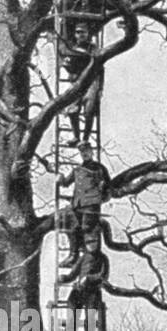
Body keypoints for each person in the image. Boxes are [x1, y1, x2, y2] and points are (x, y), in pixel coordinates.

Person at [60, 139, 111, 273]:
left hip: (91, 204)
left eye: (87, 152)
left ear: (92, 152)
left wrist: (102, 196)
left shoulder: (99, 168)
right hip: (78, 204)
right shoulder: (77, 170)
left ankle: (89, 262)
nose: (85, 154)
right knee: (73, 228)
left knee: (88, 230)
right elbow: (65, 182)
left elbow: (108, 185)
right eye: (82, 153)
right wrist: (59, 178)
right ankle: (73, 256)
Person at [59, 22, 103, 144]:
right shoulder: (71, 48)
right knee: (72, 108)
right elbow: (69, 66)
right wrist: (67, 65)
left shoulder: (93, 48)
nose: (80, 35)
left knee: (89, 109)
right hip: (78, 81)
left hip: (91, 81)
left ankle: (85, 139)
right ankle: (76, 136)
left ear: (88, 34)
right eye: (78, 32)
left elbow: (101, 68)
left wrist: (100, 88)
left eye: (83, 32)